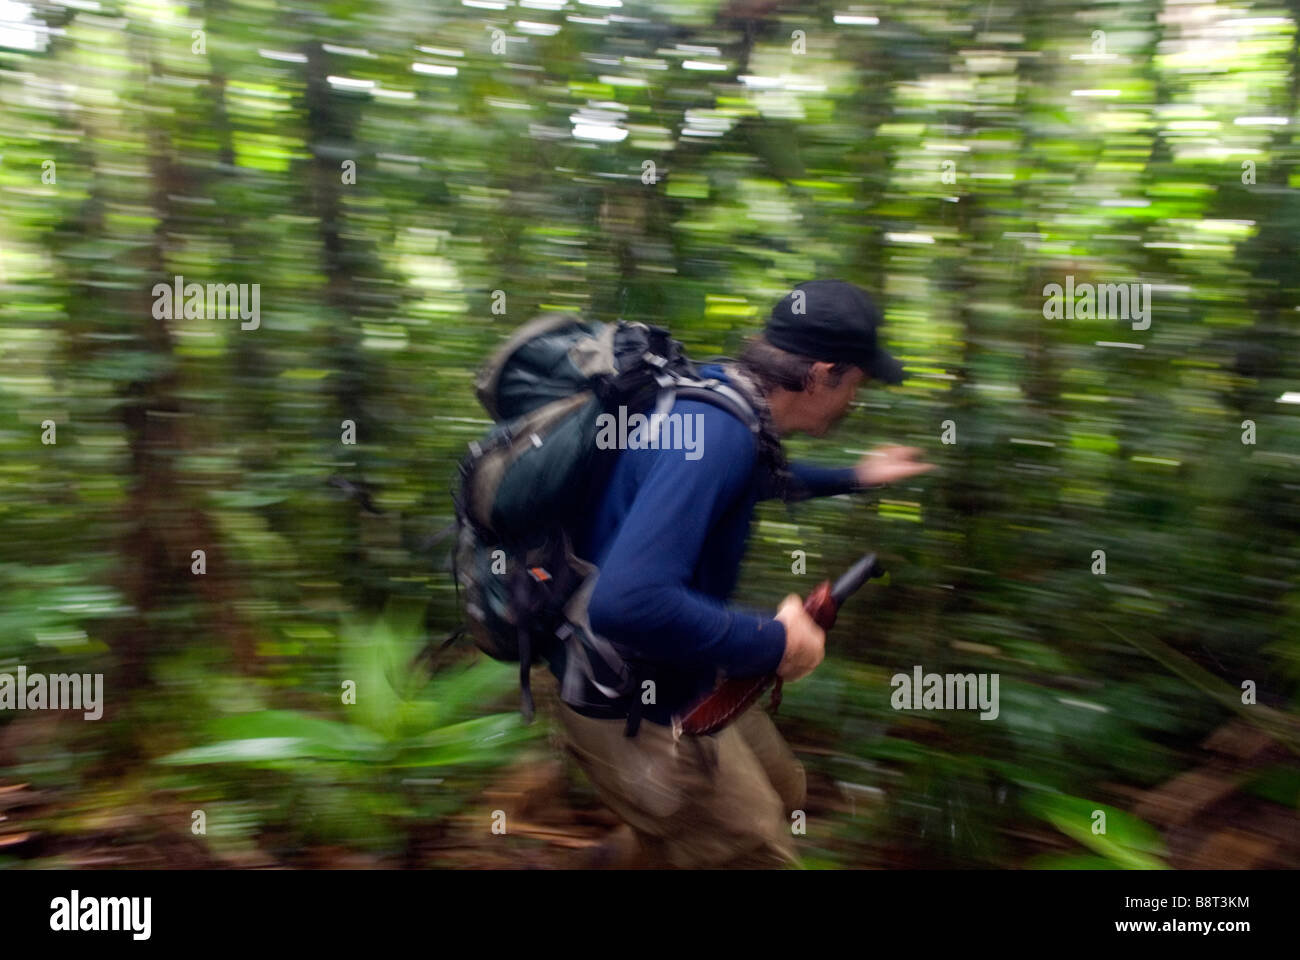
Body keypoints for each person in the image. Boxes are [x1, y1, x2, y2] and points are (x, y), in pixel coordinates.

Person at [543, 279, 934, 868]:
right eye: (857, 383)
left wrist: (856, 476)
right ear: (824, 373)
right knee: (755, 848)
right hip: (622, 695)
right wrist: (777, 641)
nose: (857, 400)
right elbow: (628, 603)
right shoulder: (719, 431)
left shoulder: (722, 397)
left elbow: (759, 475)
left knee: (785, 789)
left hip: (672, 674)